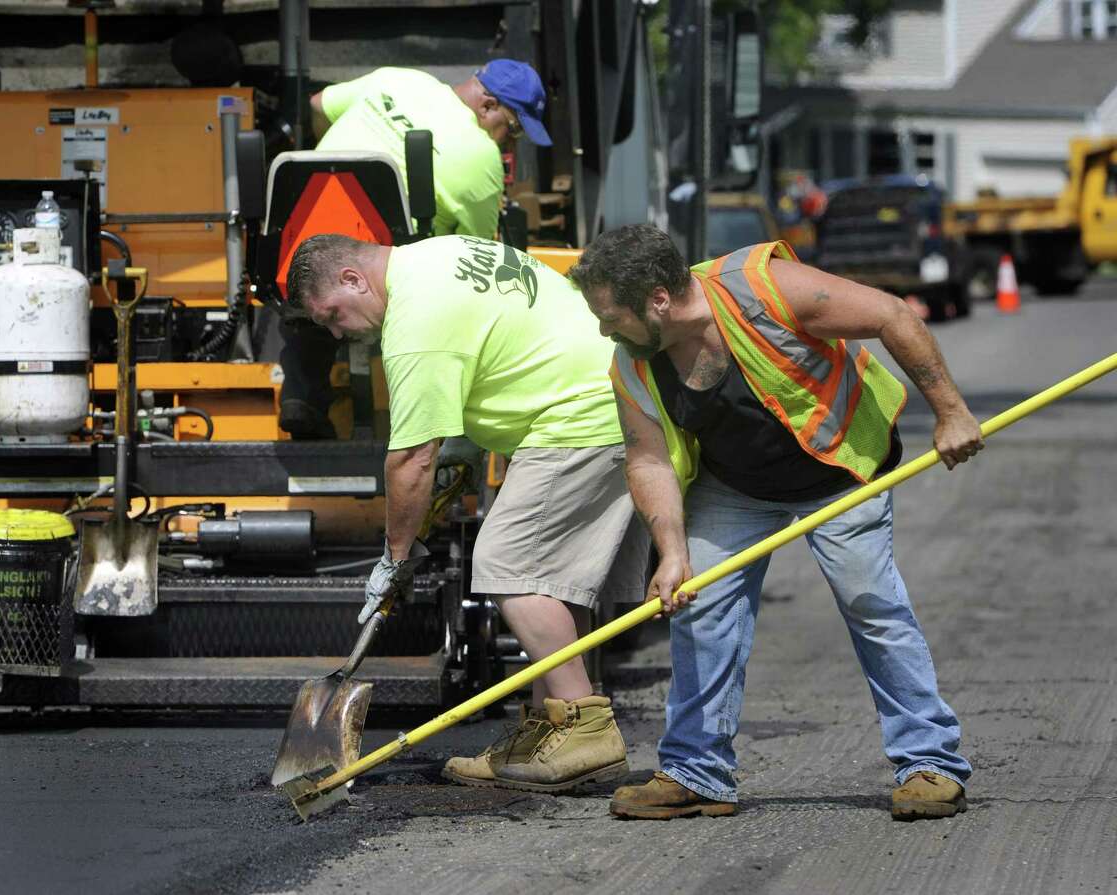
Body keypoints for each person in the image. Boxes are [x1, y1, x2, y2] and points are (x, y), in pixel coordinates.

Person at [568, 224, 982, 821]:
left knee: (872, 605)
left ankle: (930, 764)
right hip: (737, 485)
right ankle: (696, 771)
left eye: (611, 316)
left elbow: (892, 315)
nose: (605, 329)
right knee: (699, 601)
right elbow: (649, 457)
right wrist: (673, 552)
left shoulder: (764, 287)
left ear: (658, 298)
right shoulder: (633, 362)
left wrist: (951, 412)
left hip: (841, 466)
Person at [284, 232, 648, 793]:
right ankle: (549, 734)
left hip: (577, 413)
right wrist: (470, 439)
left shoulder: (412, 322)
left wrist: (395, 557)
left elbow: (410, 459)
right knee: (551, 584)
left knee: (507, 561)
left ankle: (585, 724)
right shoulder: (437, 253)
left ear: (353, 279)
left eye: (332, 314)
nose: (337, 333)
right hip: (610, 393)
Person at [280, 59, 552, 440]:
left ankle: (303, 397)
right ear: (488, 107)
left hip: (297, 249)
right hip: (381, 278)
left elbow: (318, 105)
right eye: (513, 130)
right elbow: (472, 254)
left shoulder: (400, 79)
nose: (507, 143)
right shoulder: (480, 156)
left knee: (317, 283)